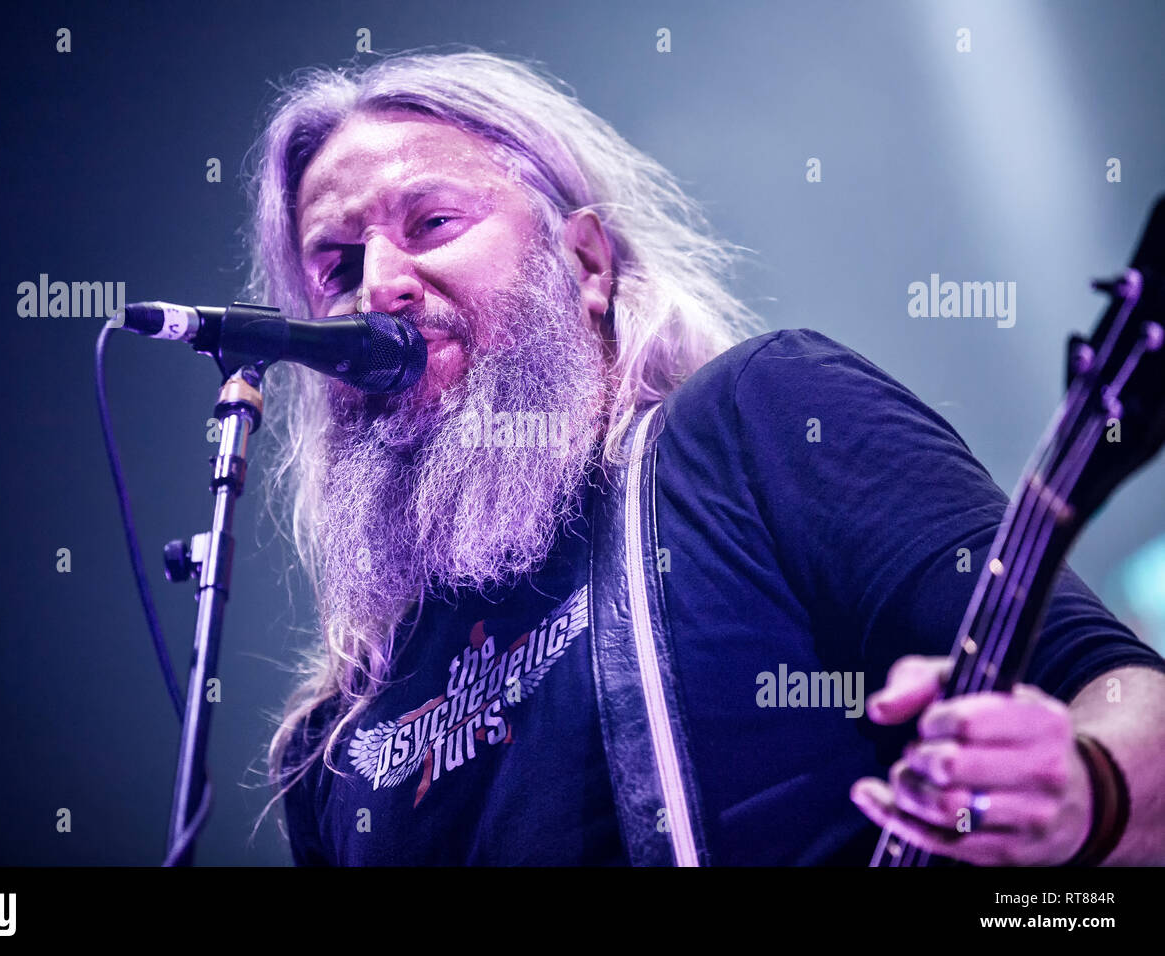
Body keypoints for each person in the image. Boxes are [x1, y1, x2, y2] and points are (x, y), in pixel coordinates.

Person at [245, 49, 1165, 865]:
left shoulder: (759, 423)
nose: (380, 287)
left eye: (433, 222)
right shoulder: (334, 744)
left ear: (588, 263)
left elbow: (1129, 696)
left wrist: (1085, 789)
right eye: (334, 267)